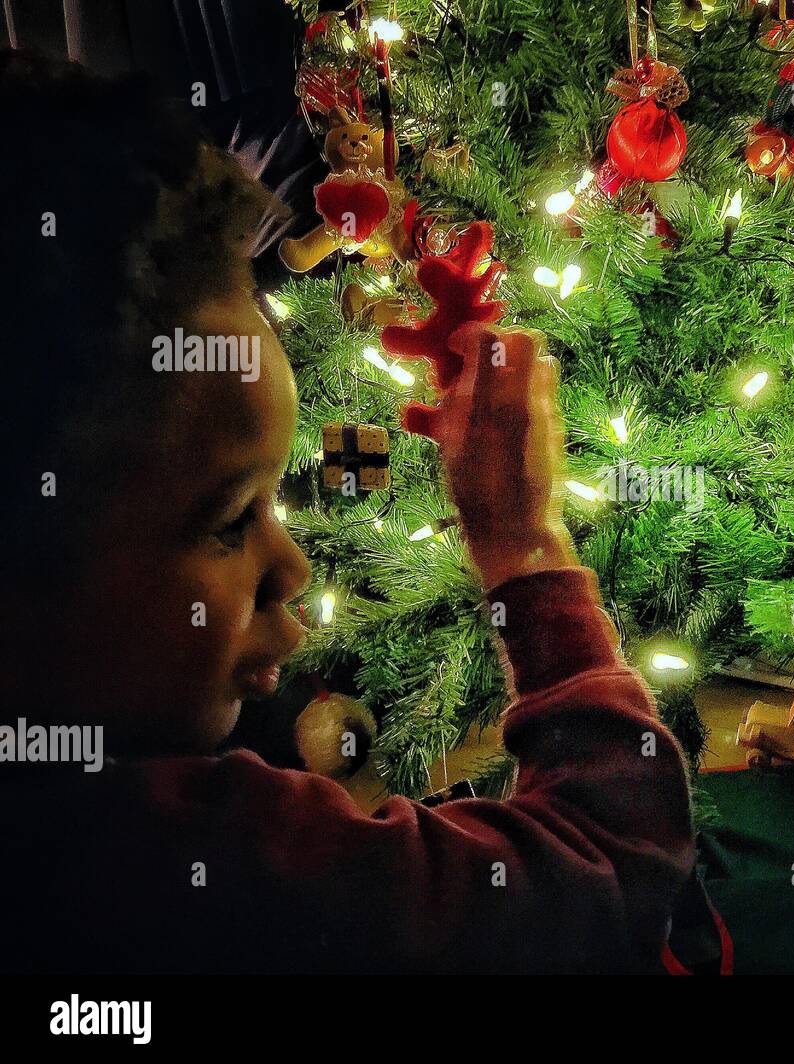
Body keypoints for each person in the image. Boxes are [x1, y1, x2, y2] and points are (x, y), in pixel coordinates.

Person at [0, 50, 692, 974]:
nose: (293, 568)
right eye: (229, 518)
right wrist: (526, 548)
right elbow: (610, 866)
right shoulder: (189, 866)